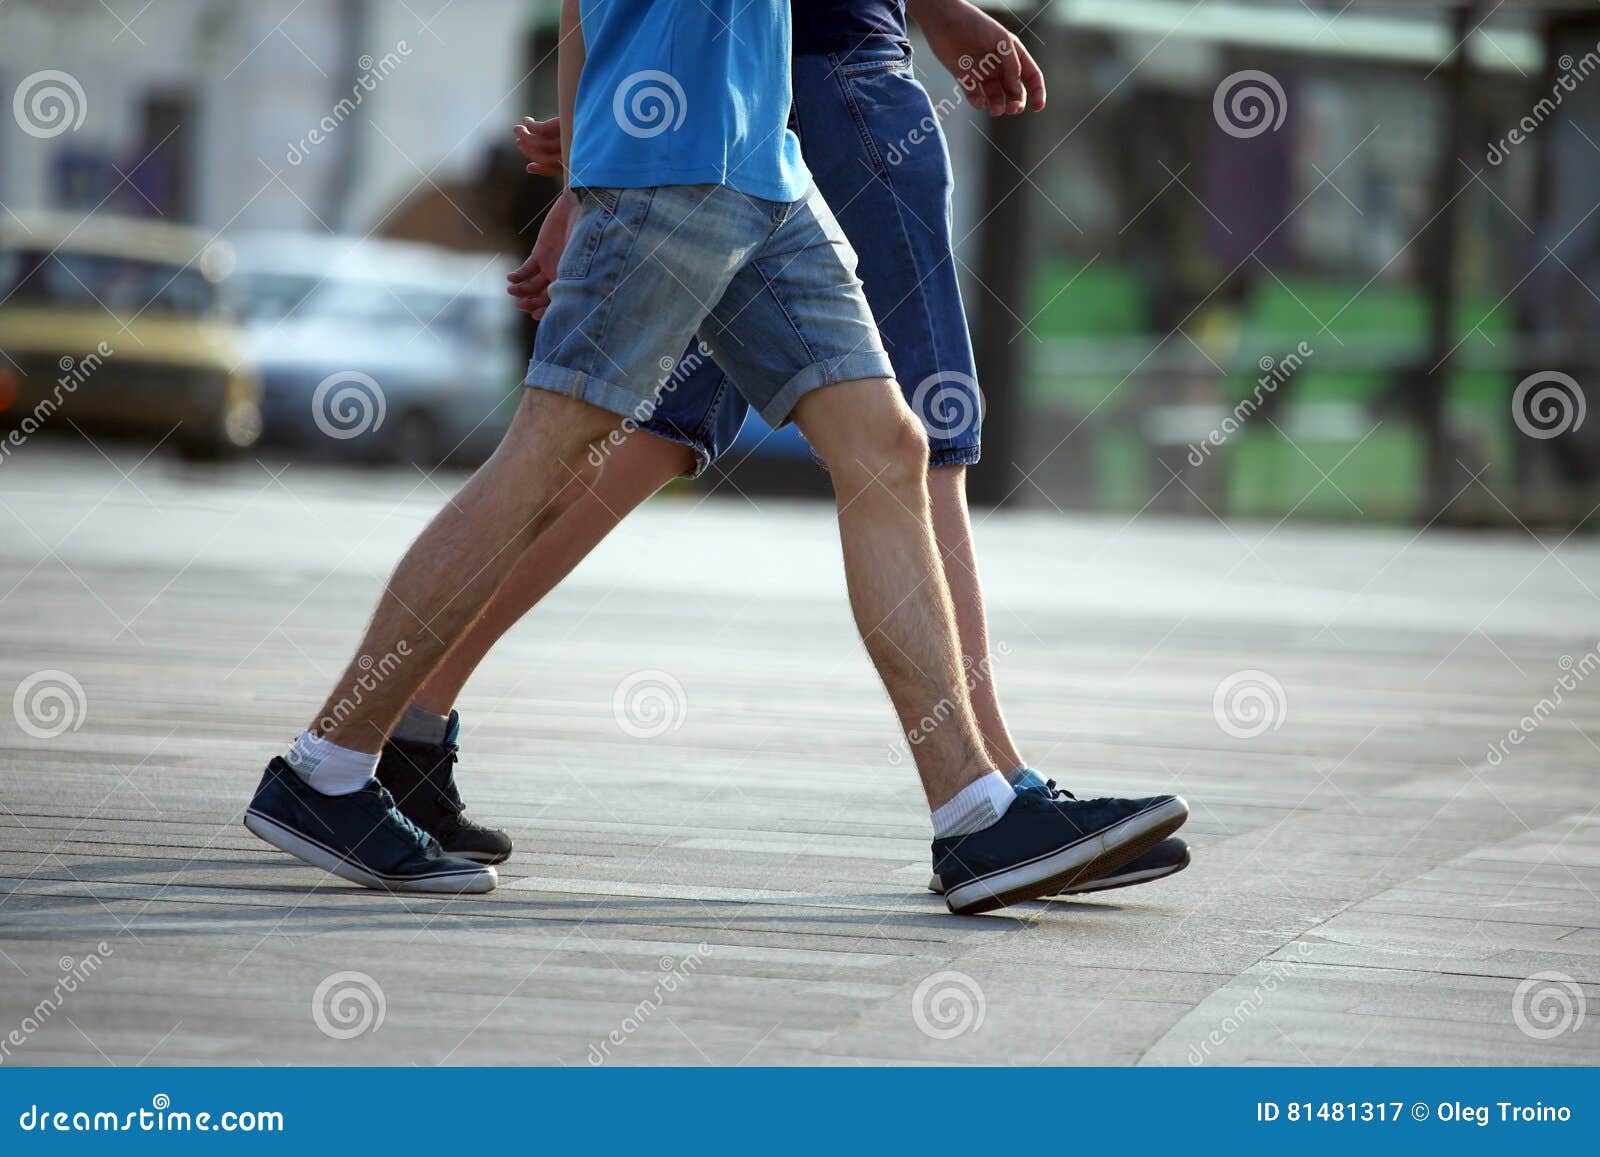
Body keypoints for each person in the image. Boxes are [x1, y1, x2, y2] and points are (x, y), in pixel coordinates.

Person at [244, 0, 1188, 915]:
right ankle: (328, 765)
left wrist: (578, 162)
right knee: (549, 451)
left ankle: (974, 813)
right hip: (675, 166)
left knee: (888, 445)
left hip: (765, 160)